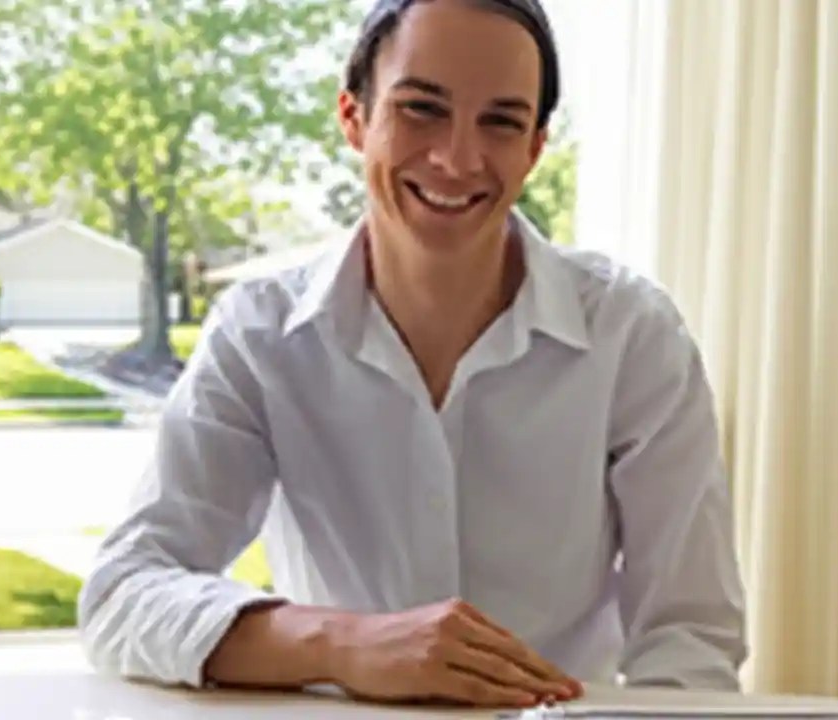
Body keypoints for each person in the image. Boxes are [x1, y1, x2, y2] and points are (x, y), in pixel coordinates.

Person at [77, 0, 747, 709]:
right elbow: (124, 594)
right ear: (353, 118)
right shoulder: (260, 335)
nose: (457, 159)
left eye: (501, 121)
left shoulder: (632, 335)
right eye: (421, 109)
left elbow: (691, 641)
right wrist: (343, 643)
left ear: (534, 149)